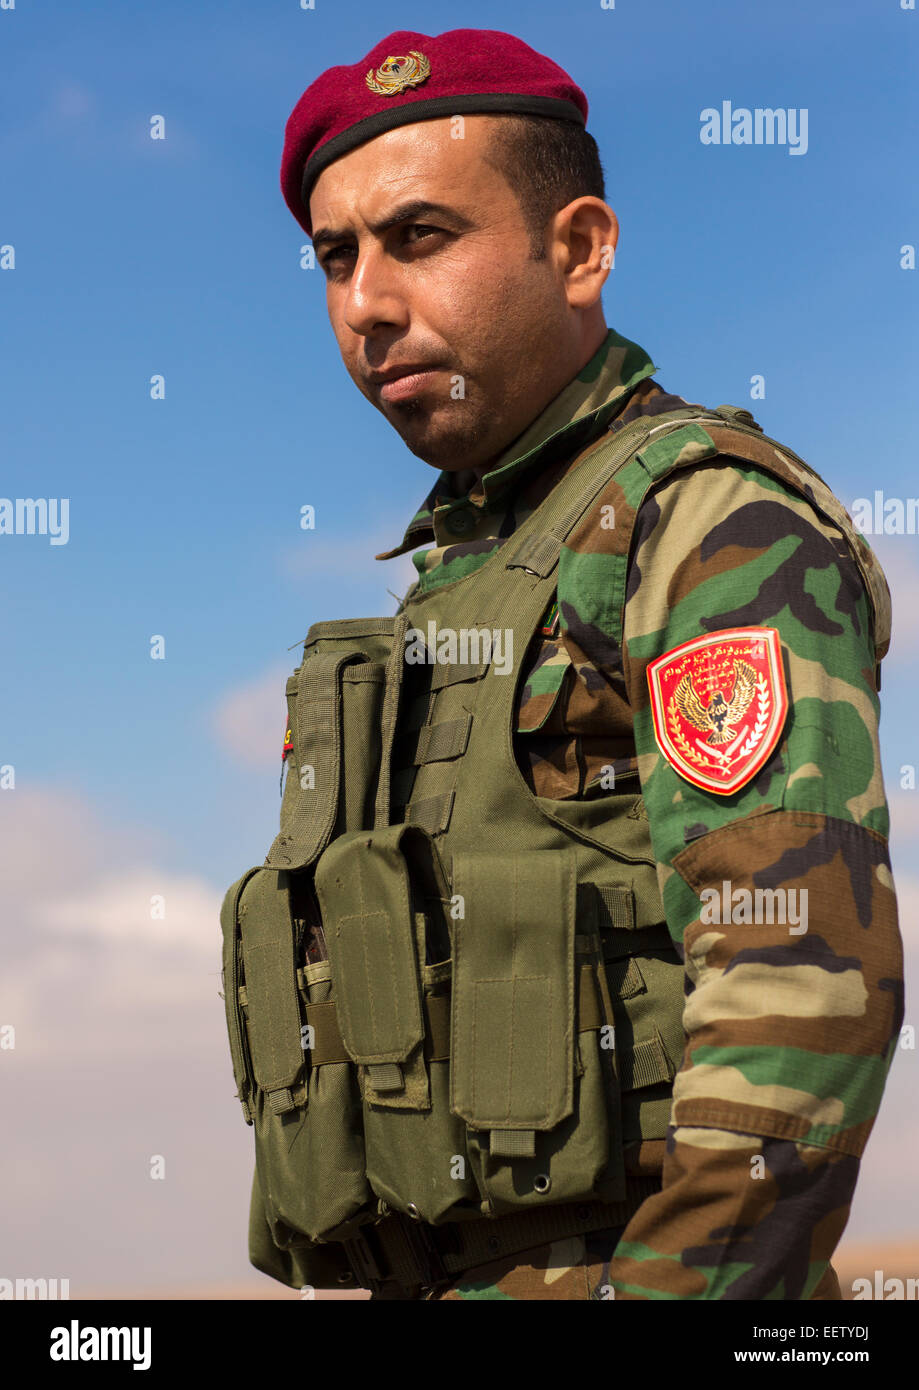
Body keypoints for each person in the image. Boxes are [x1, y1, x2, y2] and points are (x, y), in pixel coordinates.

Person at [220, 27, 904, 1301]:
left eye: (419, 237)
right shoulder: (459, 569)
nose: (367, 301)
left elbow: (798, 990)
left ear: (579, 249)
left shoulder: (699, 518)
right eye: (335, 256)